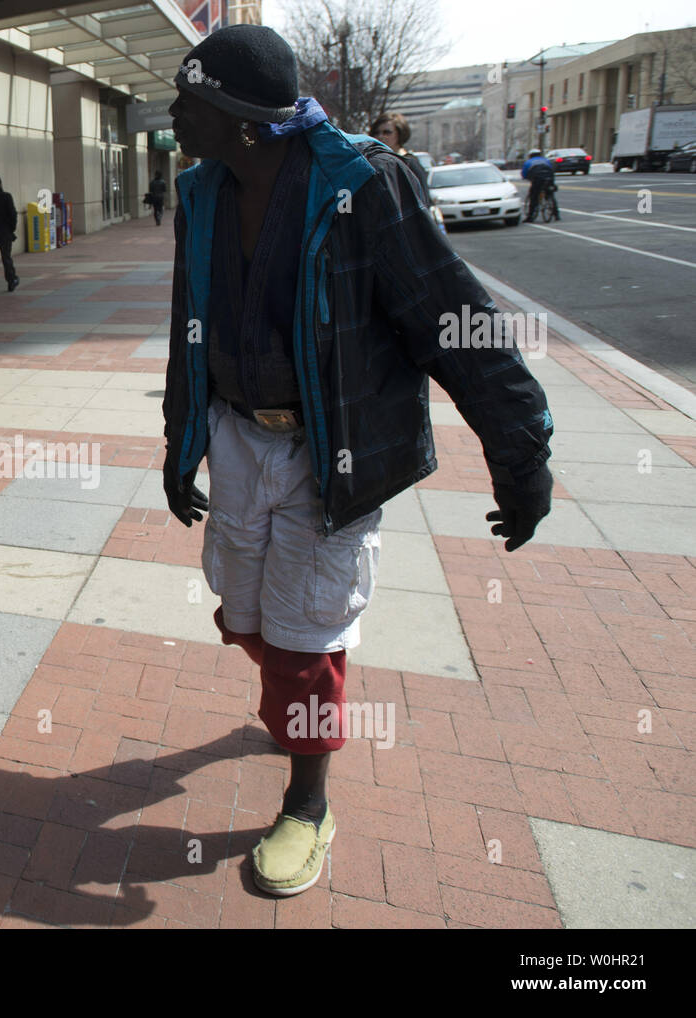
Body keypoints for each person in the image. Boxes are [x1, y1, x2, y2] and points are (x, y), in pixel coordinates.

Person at [164, 25, 553, 897]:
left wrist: (520, 454)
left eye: (188, 101)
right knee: (246, 616)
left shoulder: (363, 187)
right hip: (236, 440)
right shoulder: (201, 191)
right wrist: (179, 438)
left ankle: (308, 802)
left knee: (305, 641)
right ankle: (300, 711)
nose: (173, 114)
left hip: (329, 455)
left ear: (241, 119)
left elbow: (456, 320)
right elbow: (190, 327)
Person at [369, 112, 429, 198]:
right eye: (376, 133)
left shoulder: (410, 163)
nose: (380, 136)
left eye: (387, 132)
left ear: (400, 133)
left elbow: (423, 199)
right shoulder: (373, 163)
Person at [521, 149, 559, 221]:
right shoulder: (546, 160)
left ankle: (530, 216)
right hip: (549, 178)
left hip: (537, 180)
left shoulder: (528, 162)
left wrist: (526, 178)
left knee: (533, 197)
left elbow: (524, 174)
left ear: (530, 155)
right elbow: (551, 169)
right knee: (550, 194)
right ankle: (556, 215)